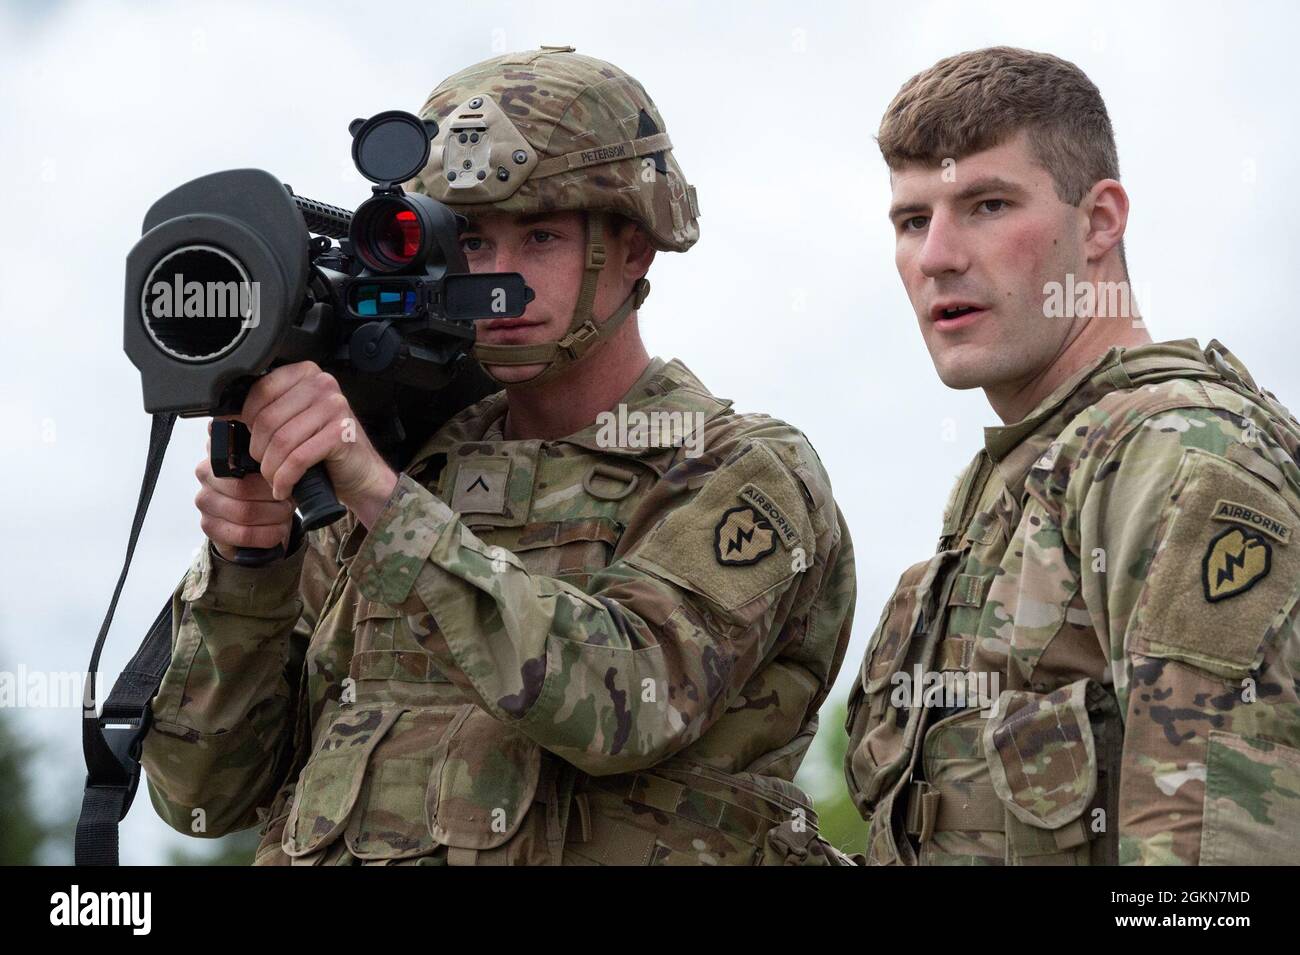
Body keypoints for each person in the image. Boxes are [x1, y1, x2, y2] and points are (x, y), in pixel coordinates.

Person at [141, 45, 857, 866]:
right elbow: (203, 796)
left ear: (635, 248)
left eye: (542, 236)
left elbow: (626, 704)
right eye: (473, 241)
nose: (502, 278)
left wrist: (384, 505)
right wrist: (250, 564)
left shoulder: (740, 468)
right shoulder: (413, 465)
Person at [844, 46, 1300, 865]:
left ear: (1098, 222)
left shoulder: (1174, 452)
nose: (938, 255)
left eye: (986, 205)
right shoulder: (1010, 485)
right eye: (913, 221)